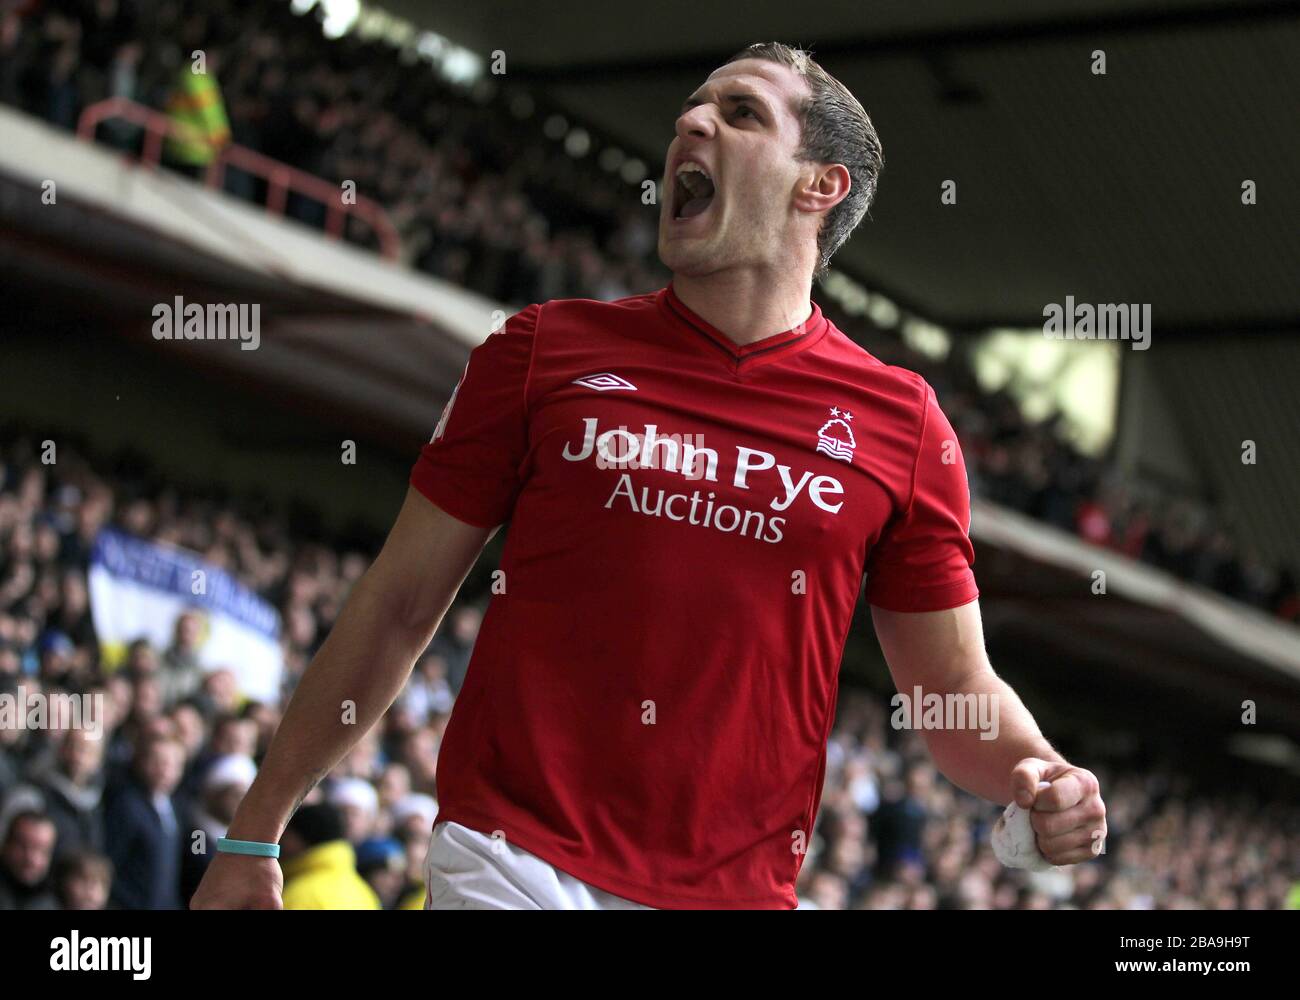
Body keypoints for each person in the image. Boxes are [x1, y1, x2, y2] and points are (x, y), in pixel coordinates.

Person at [192, 41, 1106, 911]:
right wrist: (256, 831)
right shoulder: (540, 350)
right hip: (513, 859)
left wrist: (1041, 770)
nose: (693, 126)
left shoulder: (903, 424)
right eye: (692, 110)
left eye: (740, 113)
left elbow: (952, 687)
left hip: (737, 889)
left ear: (820, 187)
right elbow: (398, 603)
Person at [279, 804, 380, 910]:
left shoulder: (298, 895)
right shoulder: (366, 894)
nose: (281, 841)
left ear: (300, 838)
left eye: (286, 835)